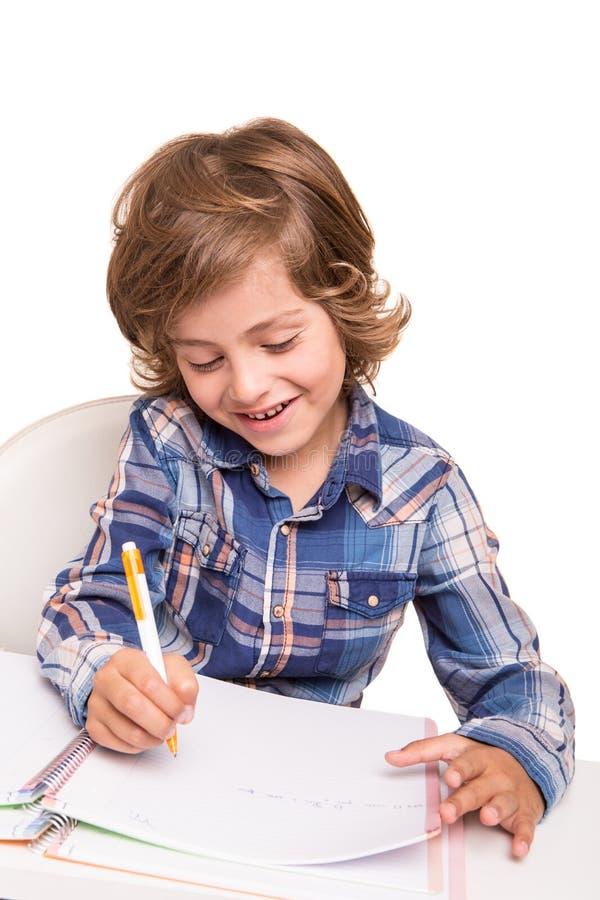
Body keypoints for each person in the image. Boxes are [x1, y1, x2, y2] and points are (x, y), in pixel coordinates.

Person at [37, 117, 574, 859]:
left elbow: (515, 684)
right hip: (154, 790)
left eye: (279, 342)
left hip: (311, 818)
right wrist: (102, 674)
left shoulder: (422, 488)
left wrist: (515, 755)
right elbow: (83, 606)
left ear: (344, 303)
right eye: (203, 359)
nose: (248, 386)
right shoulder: (169, 441)